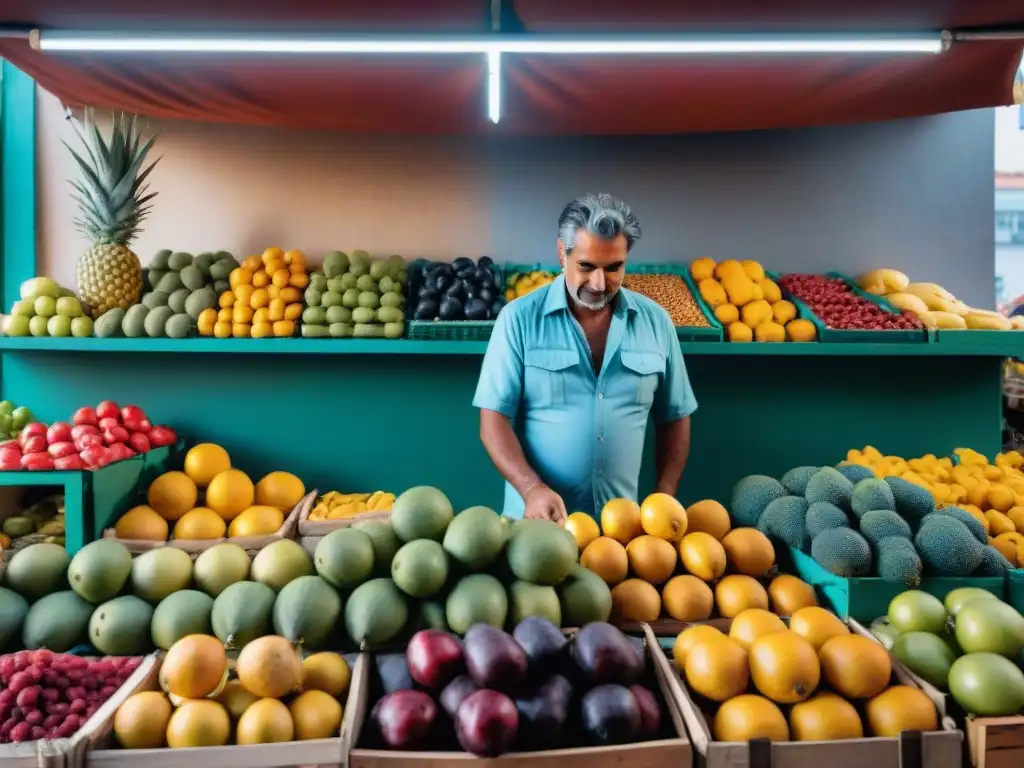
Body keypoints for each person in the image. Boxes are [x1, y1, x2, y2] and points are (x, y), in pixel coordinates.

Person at [473, 193, 698, 522]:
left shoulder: (656, 322)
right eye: (586, 266)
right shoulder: (517, 319)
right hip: (535, 528)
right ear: (562, 254)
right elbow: (492, 423)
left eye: (613, 268)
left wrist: (663, 497)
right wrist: (531, 489)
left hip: (621, 533)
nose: (599, 283)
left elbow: (675, 417)